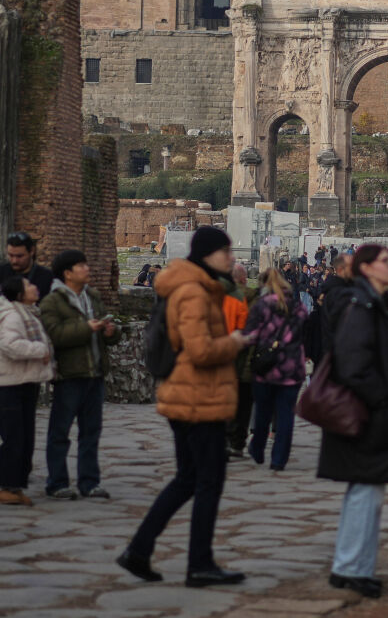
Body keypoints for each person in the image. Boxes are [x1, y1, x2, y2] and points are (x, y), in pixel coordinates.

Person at [119, 226, 255, 589]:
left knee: (188, 479)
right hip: (197, 396)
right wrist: (235, 342)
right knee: (208, 480)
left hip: (189, 394)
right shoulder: (194, 292)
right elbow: (200, 350)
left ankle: (140, 550)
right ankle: (199, 563)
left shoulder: (192, 286)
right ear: (208, 254)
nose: (231, 258)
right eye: (226, 251)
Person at [319, 244, 388, 599]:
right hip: (368, 412)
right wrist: (382, 400)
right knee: (366, 491)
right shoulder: (361, 307)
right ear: (366, 269)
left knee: (367, 491)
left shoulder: (377, 304)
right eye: (385, 261)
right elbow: (352, 365)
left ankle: (351, 566)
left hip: (375, 410)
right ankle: (350, 568)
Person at [0, 232, 54, 479]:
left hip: (28, 357)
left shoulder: (43, 278)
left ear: (31, 252)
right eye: (11, 255)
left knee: (24, 416)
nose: (14, 260)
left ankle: (20, 467)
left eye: (20, 256)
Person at [39, 248, 117, 501]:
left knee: (91, 432)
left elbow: (112, 337)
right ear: (67, 273)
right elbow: (55, 334)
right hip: (69, 375)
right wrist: (86, 328)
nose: (87, 269)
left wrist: (110, 333)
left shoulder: (92, 296)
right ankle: (57, 482)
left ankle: (89, 482)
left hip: (95, 373)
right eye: (81, 266)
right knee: (60, 432)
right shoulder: (52, 301)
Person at [0, 276, 54, 506]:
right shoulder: (12, 316)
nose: (35, 287)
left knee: (25, 437)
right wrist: (39, 349)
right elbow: (9, 345)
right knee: (14, 437)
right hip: (9, 383)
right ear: (18, 294)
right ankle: (4, 486)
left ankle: (15, 486)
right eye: (29, 285)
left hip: (24, 381)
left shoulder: (28, 312)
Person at [244, 266, 307, 470]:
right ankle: (279, 459)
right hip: (292, 366)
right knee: (286, 414)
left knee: (263, 411)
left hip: (266, 366)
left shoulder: (261, 306)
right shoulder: (297, 306)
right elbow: (304, 331)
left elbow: (250, 334)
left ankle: (258, 448)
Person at [223, 262, 253, 459]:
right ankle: (237, 442)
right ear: (243, 278)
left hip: (222, 356)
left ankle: (224, 439)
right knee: (243, 404)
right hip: (245, 359)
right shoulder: (251, 297)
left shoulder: (219, 296)